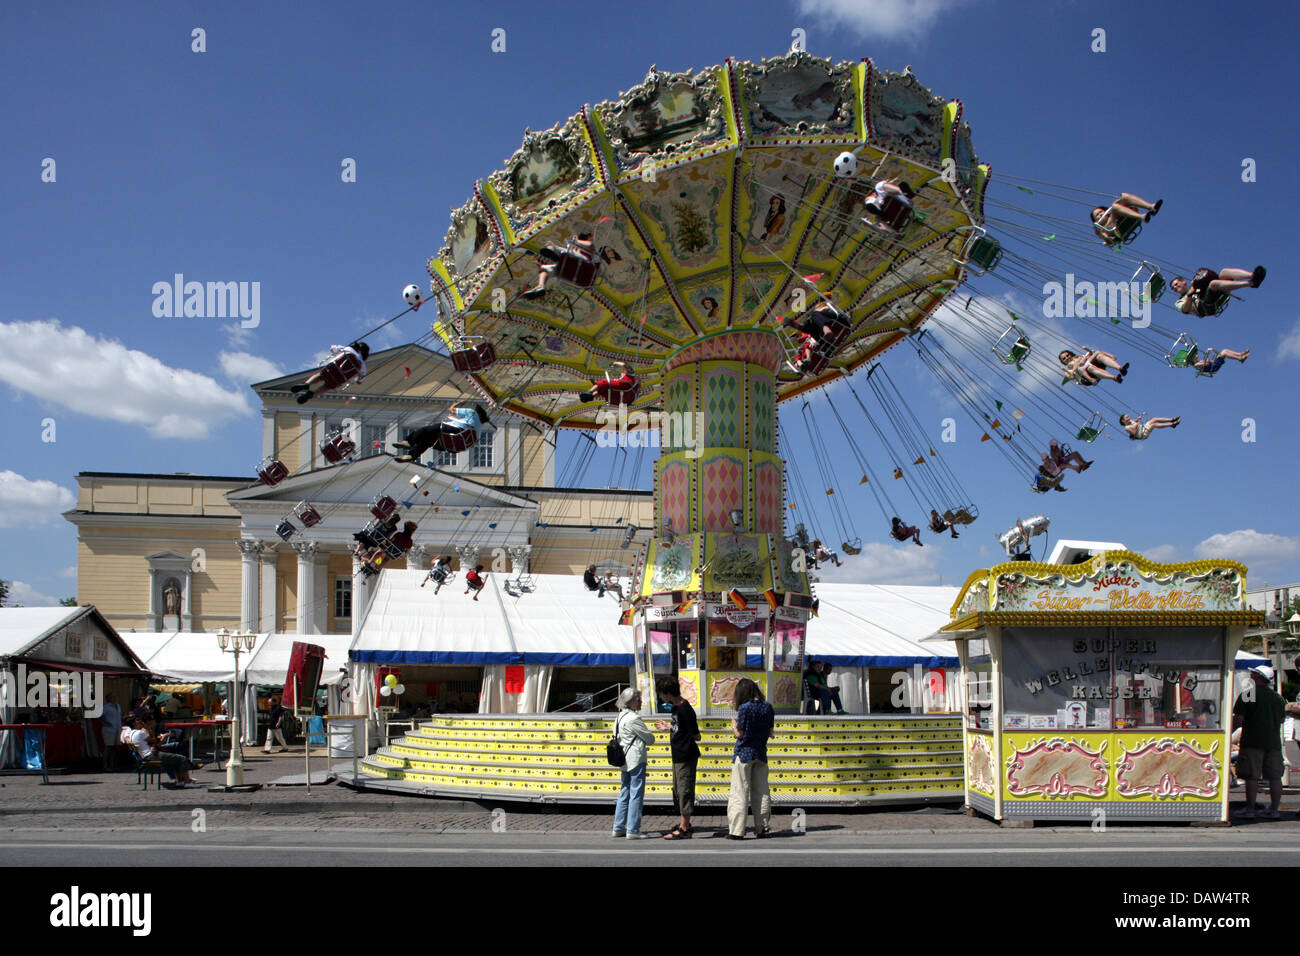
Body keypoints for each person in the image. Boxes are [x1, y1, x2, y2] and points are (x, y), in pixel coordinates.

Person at [1232, 664, 1286, 819]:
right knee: (1275, 777)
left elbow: (1239, 720)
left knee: (1251, 776)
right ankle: (1274, 809)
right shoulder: (1277, 697)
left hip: (1252, 741)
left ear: (1258, 677)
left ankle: (1250, 808)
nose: (1250, 675)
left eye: (1253, 673)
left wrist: (1228, 732)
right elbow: (1281, 719)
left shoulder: (1248, 695)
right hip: (1273, 742)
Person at [727, 678, 775, 839]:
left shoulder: (744, 708)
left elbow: (739, 734)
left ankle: (737, 830)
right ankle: (763, 828)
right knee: (762, 792)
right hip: (761, 752)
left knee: (739, 792)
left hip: (744, 753)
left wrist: (734, 725)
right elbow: (770, 732)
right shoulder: (768, 707)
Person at [655, 677, 701, 840]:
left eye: (661, 694)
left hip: (686, 755)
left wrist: (678, 730)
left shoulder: (685, 709)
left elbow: (697, 736)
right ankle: (685, 824)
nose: (660, 697)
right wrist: (669, 727)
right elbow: (680, 728)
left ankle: (684, 828)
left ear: (668, 693)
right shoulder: (676, 708)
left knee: (684, 790)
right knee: (677, 790)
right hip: (678, 755)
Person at [612, 687, 655, 839]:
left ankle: (618, 827)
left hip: (623, 760)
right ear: (629, 702)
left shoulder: (619, 717)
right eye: (638, 699)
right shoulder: (634, 719)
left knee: (625, 792)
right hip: (635, 759)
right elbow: (650, 739)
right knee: (636, 794)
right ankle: (633, 830)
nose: (641, 701)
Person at [393, 403, 488, 462]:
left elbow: (452, 410)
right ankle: (410, 456)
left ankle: (409, 442)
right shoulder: (479, 429)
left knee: (427, 430)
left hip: (456, 431)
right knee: (428, 440)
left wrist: (456, 404)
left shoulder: (472, 413)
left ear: (477, 412)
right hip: (455, 446)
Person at [128, 718, 203, 787]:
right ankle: (188, 781)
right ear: (134, 724)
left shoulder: (132, 733)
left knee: (176, 756)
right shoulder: (140, 733)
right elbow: (156, 742)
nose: (140, 722)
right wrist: (164, 737)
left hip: (145, 755)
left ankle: (181, 780)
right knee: (181, 758)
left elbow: (152, 742)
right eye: (137, 721)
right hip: (151, 755)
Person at [523, 232, 598, 299]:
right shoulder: (572, 248)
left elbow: (590, 244)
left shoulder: (587, 248)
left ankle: (555, 255)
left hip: (581, 262)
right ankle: (541, 286)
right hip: (569, 266)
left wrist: (576, 241)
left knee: (551, 245)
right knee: (544, 269)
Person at [291, 341, 370, 404]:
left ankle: (307, 384)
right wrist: (357, 378)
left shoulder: (348, 349)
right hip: (339, 378)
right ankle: (311, 394)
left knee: (320, 375)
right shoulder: (362, 365)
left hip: (332, 368)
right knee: (327, 386)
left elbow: (332, 348)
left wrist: (338, 351)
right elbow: (360, 381)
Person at [1171, 266, 1266, 316]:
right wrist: (1189, 295)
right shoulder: (1179, 302)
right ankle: (1250, 283)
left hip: (1214, 292)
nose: (1175, 288)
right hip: (1205, 306)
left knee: (1223, 272)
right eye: (1173, 288)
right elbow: (1185, 309)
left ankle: (1253, 276)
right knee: (1213, 284)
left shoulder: (1194, 282)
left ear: (1183, 281)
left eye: (1176, 284)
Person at [1089, 193, 1161, 246]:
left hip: (1126, 219)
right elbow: (1109, 241)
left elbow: (1115, 209)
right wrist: (1105, 236)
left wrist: (1121, 201)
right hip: (1117, 231)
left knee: (1124, 196)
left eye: (1101, 212)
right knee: (1114, 207)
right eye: (1097, 215)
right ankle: (1142, 217)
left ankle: (1151, 207)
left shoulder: (1114, 214)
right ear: (1096, 221)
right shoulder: (1100, 230)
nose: (1100, 214)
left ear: (1105, 211)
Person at [1059, 348, 1127, 385]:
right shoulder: (1069, 367)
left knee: (1099, 356)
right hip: (1086, 375)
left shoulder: (1079, 356)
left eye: (1067, 355)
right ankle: (1114, 377)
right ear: (1063, 362)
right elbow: (1072, 377)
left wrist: (1086, 354)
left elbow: (1090, 355)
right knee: (1090, 368)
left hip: (1091, 364)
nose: (1067, 358)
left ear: (1070, 354)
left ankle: (1120, 368)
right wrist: (1066, 371)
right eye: (1064, 358)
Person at [99, 692, 122, 771]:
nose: (115, 698)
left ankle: (112, 765)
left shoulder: (118, 706)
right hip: (109, 730)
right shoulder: (105, 707)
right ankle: (105, 765)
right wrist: (104, 722)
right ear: (108, 699)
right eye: (113, 697)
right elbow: (98, 716)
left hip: (117, 729)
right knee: (108, 747)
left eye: (115, 696)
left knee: (114, 748)